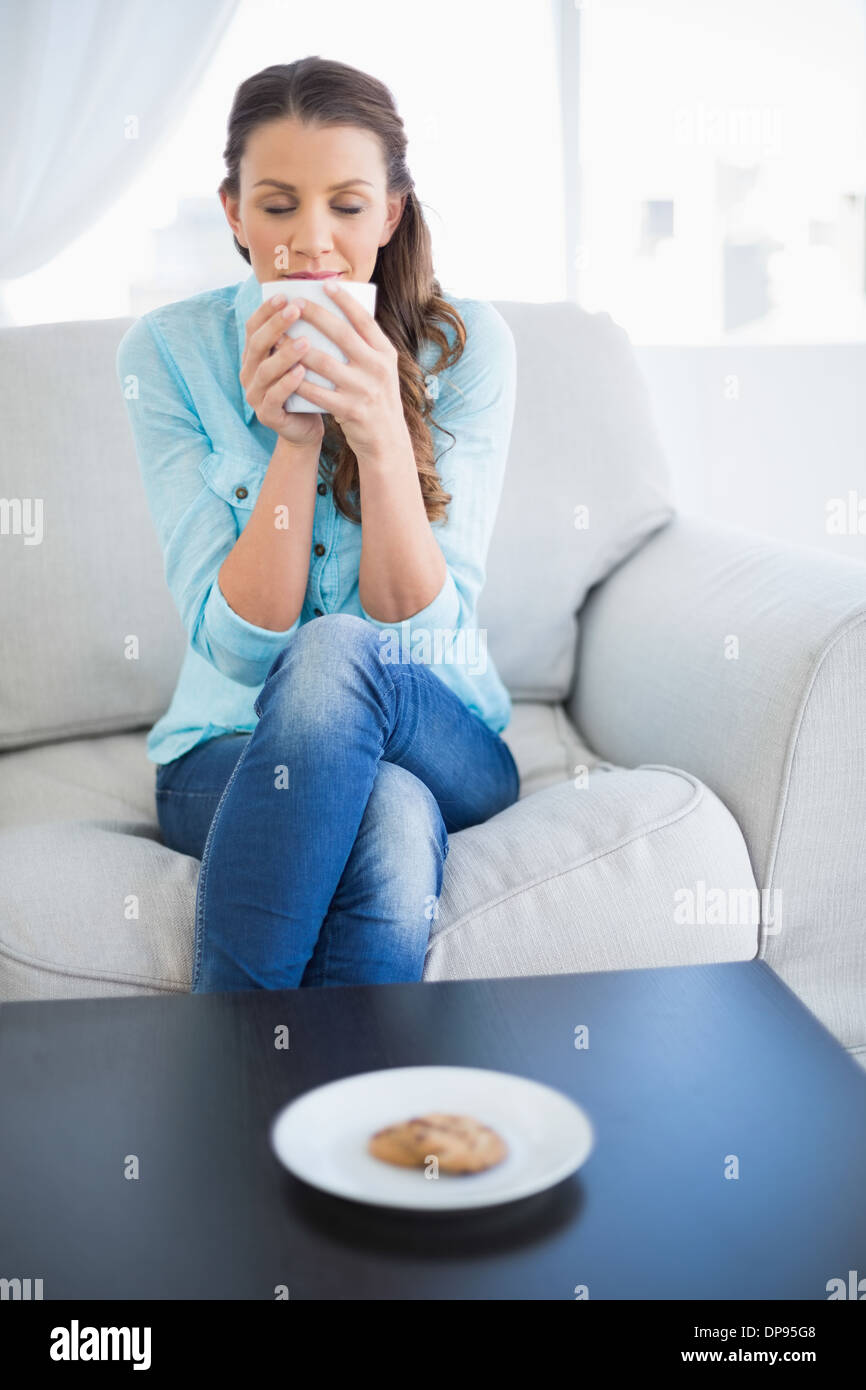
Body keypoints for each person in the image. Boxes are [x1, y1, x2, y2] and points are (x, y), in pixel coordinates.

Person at [116, 56, 520, 994]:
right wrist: (292, 446)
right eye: (277, 205)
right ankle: (353, 1121)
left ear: (389, 213)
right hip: (227, 745)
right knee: (381, 810)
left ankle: (228, 1074)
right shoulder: (168, 357)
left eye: (345, 205)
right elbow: (241, 654)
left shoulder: (469, 350)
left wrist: (381, 436)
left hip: (441, 725)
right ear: (233, 213)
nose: (311, 243)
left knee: (342, 648)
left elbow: (420, 639)